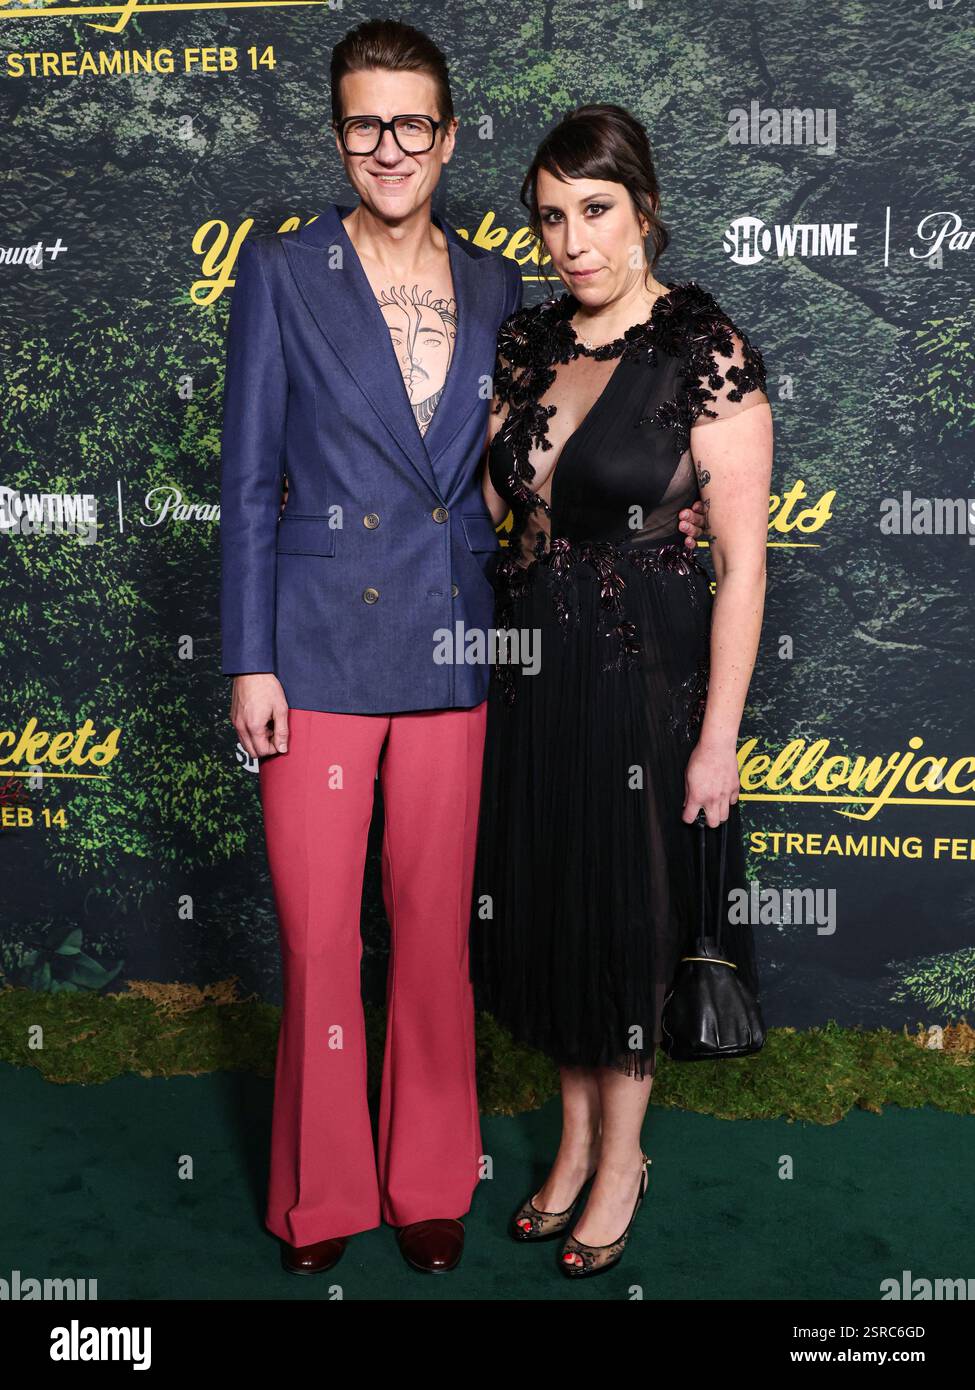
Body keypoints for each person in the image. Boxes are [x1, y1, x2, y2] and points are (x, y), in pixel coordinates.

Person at [219, 18, 713, 1278]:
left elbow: (539, 457)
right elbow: (243, 483)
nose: (389, 147)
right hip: (314, 652)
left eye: (413, 123)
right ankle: (322, 1196)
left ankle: (431, 1178)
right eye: (363, 123)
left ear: (448, 135)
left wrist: (652, 504)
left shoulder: (505, 287)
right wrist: (246, 658)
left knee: (434, 932)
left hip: (456, 652)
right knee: (325, 940)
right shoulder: (280, 273)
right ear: (339, 134)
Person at [470, 103, 773, 1279]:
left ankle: (624, 1157)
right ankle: (578, 1133)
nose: (572, 239)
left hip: (647, 665)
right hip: (532, 665)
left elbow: (743, 566)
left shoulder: (707, 348)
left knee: (629, 909)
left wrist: (719, 739)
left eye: (594, 210)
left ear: (642, 206)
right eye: (550, 217)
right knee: (553, 898)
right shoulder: (530, 341)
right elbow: (510, 509)